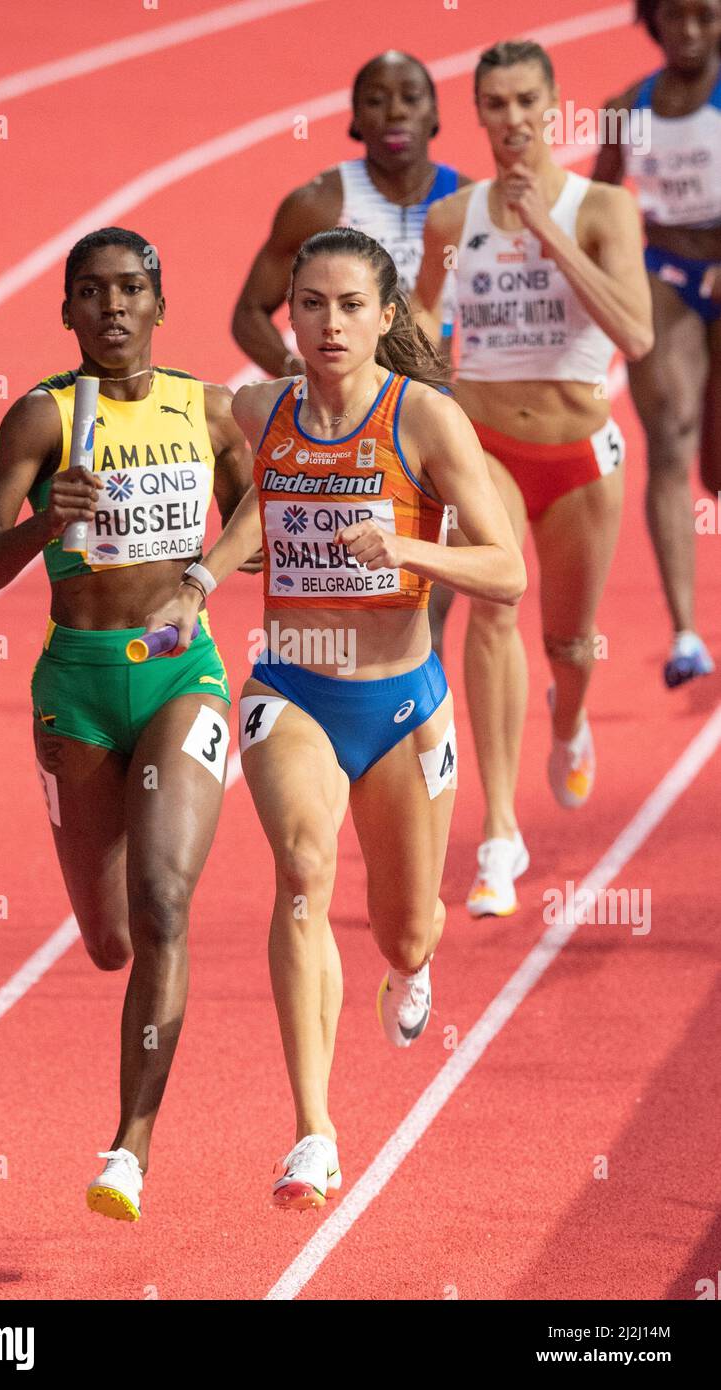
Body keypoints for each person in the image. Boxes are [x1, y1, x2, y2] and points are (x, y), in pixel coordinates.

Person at [149, 227, 525, 1209]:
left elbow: (506, 570)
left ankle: (412, 966)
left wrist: (409, 550)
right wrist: (198, 578)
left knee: (404, 932)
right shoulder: (260, 407)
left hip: (401, 701)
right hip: (292, 685)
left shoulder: (427, 420)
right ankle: (313, 1130)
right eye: (309, 303)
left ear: (385, 316)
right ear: (290, 316)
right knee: (304, 870)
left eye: (350, 304)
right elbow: (258, 508)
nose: (327, 322)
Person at [0, 226, 255, 1223]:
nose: (114, 308)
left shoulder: (205, 409)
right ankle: (108, 928)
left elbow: (260, 521)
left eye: (131, 289)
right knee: (112, 937)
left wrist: (214, 564)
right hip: (75, 692)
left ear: (160, 304)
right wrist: (48, 522)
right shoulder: (42, 420)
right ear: (68, 313)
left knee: (167, 901)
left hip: (183, 679)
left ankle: (128, 1147)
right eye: (92, 293)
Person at [412, 40, 653, 918]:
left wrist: (547, 233)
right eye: (496, 104)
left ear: (553, 106)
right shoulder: (452, 221)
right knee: (493, 610)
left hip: (581, 458)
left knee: (569, 647)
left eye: (525, 102)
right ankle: (501, 833)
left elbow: (637, 335)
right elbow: (418, 327)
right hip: (485, 447)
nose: (511, 120)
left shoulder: (603, 210)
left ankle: (569, 718)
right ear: (477, 115)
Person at [232, 49, 471, 657]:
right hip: (335, 431)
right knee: (330, 607)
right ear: (353, 119)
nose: (394, 110)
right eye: (375, 99)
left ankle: (413, 731)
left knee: (420, 612)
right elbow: (248, 313)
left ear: (436, 114)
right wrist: (303, 375)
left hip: (425, 425)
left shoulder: (471, 205)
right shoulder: (318, 205)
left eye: (411, 97)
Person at [593, 0, 721, 687]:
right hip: (668, 275)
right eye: (677, 17)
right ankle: (686, 635)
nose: (692, 33)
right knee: (668, 440)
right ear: (654, 20)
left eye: (707, 16)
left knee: (716, 469)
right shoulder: (625, 108)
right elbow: (595, 202)